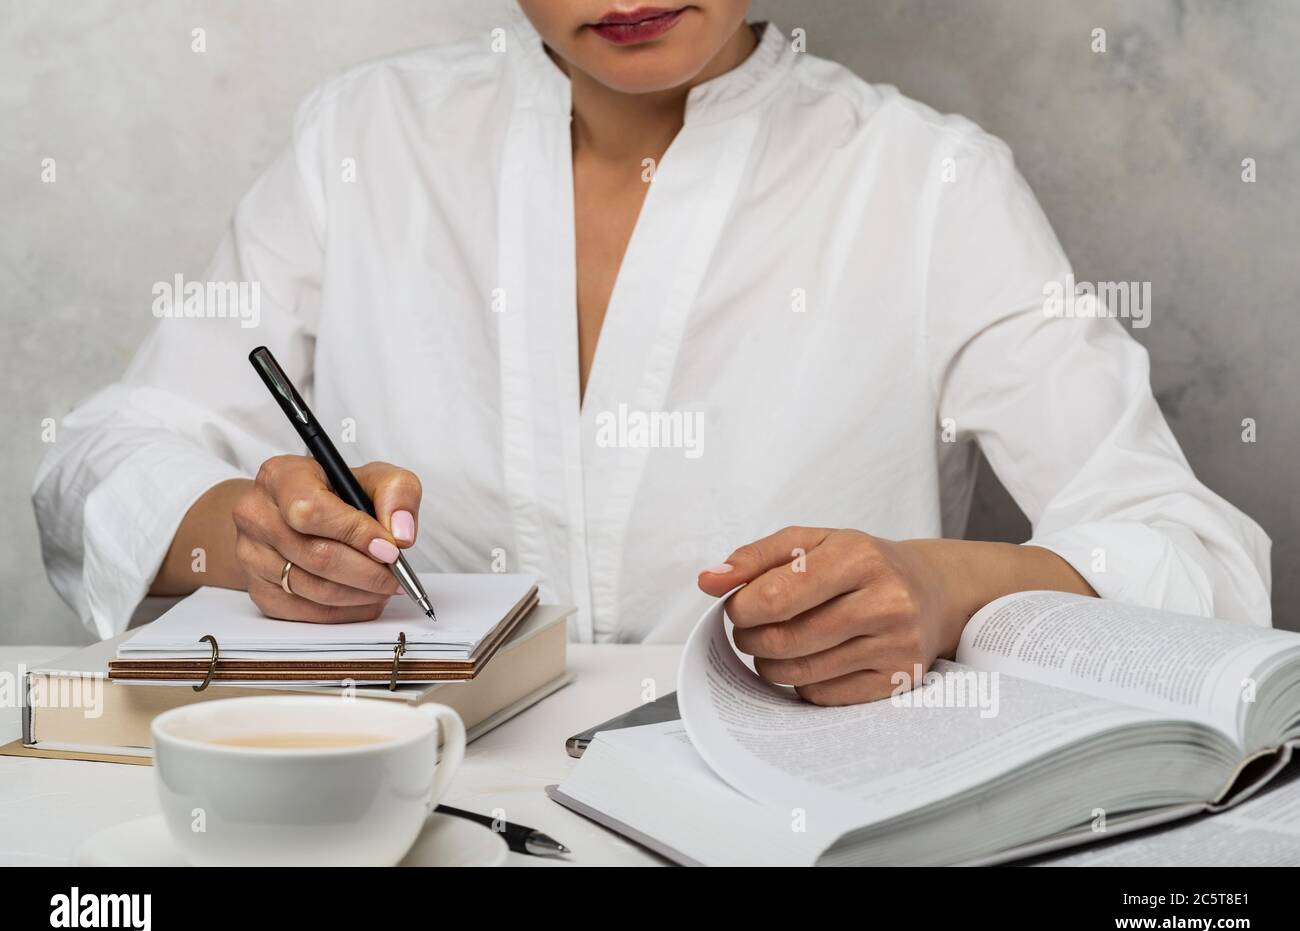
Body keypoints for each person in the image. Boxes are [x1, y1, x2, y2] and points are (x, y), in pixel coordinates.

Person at [33, 1, 1271, 705]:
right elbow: (96, 462)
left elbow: (1200, 561)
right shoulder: (366, 139)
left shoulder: (927, 182)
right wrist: (244, 532)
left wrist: (952, 592)